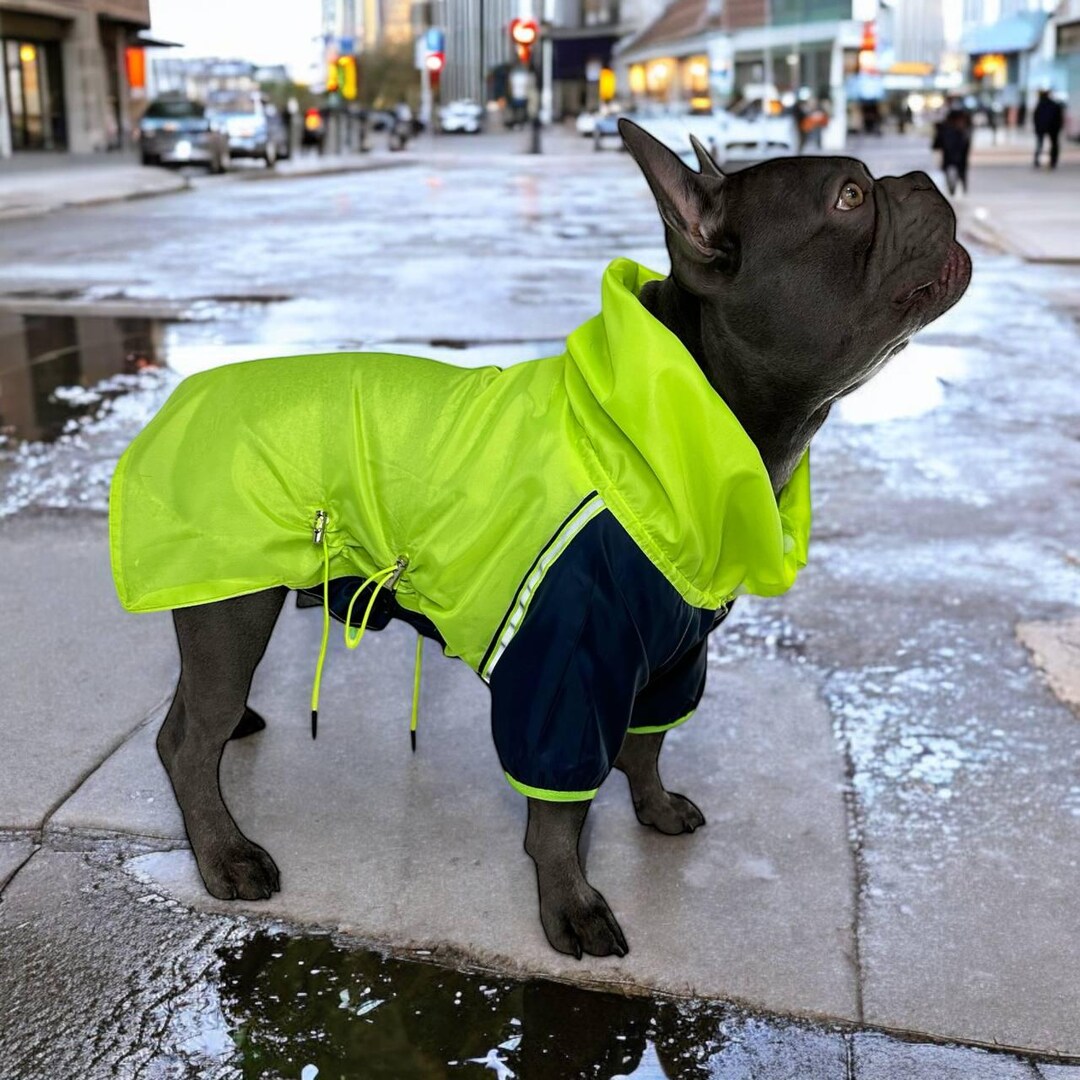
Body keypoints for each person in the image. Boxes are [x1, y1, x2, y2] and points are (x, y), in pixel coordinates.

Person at [932, 106, 972, 196]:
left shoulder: (962, 130)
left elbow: (936, 144)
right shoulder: (959, 130)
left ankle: (958, 188)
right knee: (954, 177)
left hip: (954, 160)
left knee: (955, 176)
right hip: (953, 160)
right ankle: (957, 188)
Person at [1033, 89, 1065, 169]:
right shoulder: (1054, 105)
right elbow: (1059, 118)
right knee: (1053, 144)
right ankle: (1053, 161)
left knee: (1040, 144)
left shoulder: (1040, 105)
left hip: (1043, 128)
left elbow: (1035, 118)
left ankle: (1037, 160)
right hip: (1053, 128)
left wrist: (1037, 128)